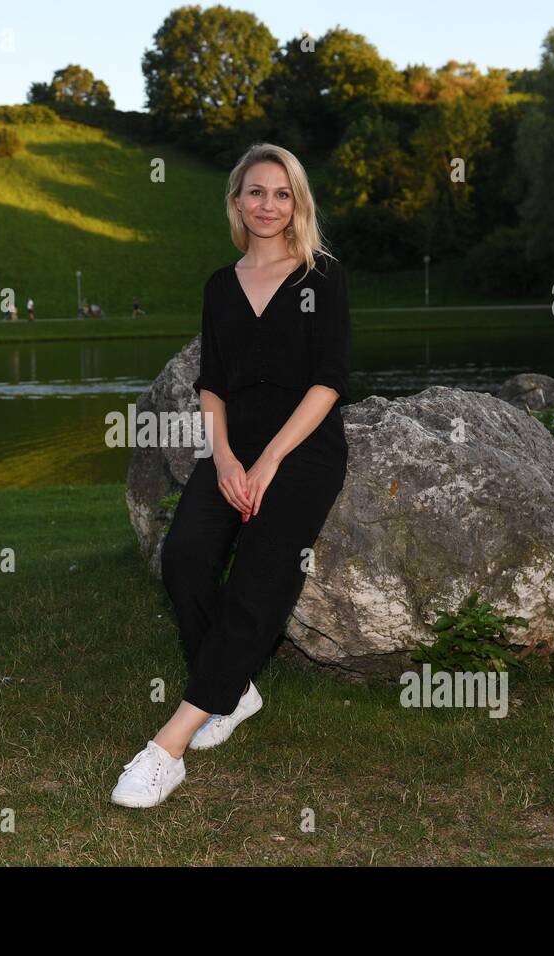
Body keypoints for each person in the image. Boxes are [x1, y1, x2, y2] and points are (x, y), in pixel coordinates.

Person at [110, 143, 351, 808]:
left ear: (296, 202)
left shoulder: (320, 278)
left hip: (301, 453)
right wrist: (225, 459)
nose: (268, 204)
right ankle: (235, 689)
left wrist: (271, 461)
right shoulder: (221, 285)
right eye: (255, 192)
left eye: (281, 193)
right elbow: (211, 385)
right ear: (237, 203)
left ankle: (169, 746)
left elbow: (330, 381)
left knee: (257, 579)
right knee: (184, 558)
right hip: (230, 451)